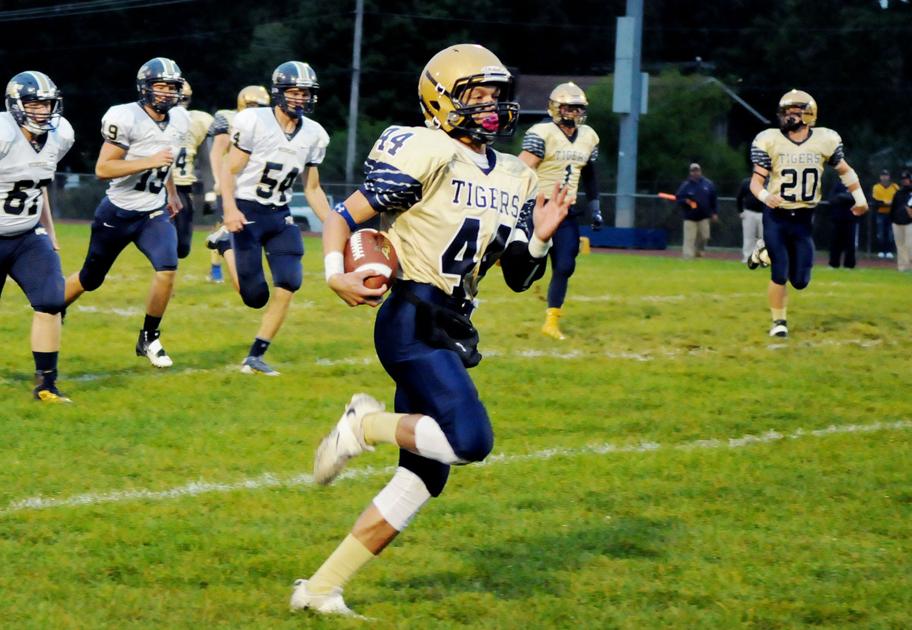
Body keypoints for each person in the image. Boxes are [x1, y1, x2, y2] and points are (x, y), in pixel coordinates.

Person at [290, 44, 570, 617]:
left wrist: (540, 234)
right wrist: (334, 273)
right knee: (472, 442)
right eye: (477, 96)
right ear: (441, 100)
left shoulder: (516, 173)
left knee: (421, 479)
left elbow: (518, 276)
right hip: (411, 316)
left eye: (496, 96)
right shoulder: (429, 150)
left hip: (454, 322)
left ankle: (320, 589)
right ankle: (363, 424)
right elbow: (344, 218)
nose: (491, 107)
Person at [64, 57, 189, 367]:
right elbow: (104, 168)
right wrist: (149, 160)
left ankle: (149, 336)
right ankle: (53, 304)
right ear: (145, 88)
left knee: (168, 267)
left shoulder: (180, 120)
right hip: (117, 212)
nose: (166, 93)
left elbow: (167, 160)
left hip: (152, 212)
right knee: (90, 279)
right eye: (160, 87)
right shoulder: (126, 117)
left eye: (172, 87)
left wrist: (171, 192)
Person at [215, 61, 330, 375]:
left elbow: (313, 187)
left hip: (279, 214)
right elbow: (229, 169)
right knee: (254, 297)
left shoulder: (315, 134)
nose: (301, 99)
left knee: (290, 282)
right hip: (245, 209)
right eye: (294, 92)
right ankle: (225, 246)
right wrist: (229, 209)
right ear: (279, 93)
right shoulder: (254, 121)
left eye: (306, 93)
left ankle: (255, 356)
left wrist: (335, 224)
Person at [747, 89, 868, 337]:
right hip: (777, 214)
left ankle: (763, 251)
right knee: (780, 271)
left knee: (800, 281)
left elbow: (845, 170)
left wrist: (860, 199)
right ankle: (778, 322)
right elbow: (755, 183)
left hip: (803, 218)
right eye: (783, 113)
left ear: (807, 115)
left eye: (790, 113)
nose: (784, 118)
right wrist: (765, 196)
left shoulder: (824, 140)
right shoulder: (769, 139)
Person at [0, 71, 73, 401]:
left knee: (51, 301)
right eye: (33, 104)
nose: (42, 111)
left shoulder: (60, 135)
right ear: (16, 105)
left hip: (28, 233)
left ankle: (46, 385)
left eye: (46, 104)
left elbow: (38, 185)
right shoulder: (3, 133)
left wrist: (50, 231)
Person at [518, 82, 601, 340]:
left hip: (567, 210)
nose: (574, 113)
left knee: (565, 265)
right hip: (539, 207)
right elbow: (522, 170)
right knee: (532, 268)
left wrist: (595, 207)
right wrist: (518, 207)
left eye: (578, 109)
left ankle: (551, 321)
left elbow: (589, 174)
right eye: (569, 108)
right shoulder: (542, 132)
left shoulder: (589, 136)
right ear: (555, 108)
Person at [205, 85, 270, 283]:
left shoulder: (268, 123)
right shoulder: (228, 118)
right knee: (224, 225)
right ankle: (216, 267)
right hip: (230, 178)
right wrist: (217, 180)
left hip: (251, 181)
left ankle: (248, 266)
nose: (255, 109)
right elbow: (217, 151)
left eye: (260, 106)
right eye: (252, 105)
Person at [171, 79, 213, 260]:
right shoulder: (153, 120)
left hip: (182, 188)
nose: (180, 103)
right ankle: (165, 284)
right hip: (157, 187)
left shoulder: (198, 121)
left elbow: (206, 162)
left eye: (184, 99)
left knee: (182, 248)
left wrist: (210, 193)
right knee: (165, 244)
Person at [675, 163, 718, 259]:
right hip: (690, 217)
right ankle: (687, 257)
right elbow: (678, 198)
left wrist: (714, 213)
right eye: (693, 171)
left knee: (704, 237)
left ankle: (698, 252)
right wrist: (686, 201)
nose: (695, 173)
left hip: (704, 216)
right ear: (690, 173)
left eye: (697, 170)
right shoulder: (685, 185)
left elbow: (713, 199)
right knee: (689, 239)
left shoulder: (708, 184)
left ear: (700, 171)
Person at [826, 181, 858, 269]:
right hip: (837, 219)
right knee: (835, 243)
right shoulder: (837, 185)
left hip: (850, 219)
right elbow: (831, 199)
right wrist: (843, 197)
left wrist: (843, 197)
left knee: (850, 244)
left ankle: (849, 265)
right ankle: (833, 264)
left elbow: (857, 199)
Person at [735, 176, 765, 263]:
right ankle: (747, 257)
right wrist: (740, 211)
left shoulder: (768, 183)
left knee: (763, 237)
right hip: (749, 212)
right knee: (748, 237)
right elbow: (739, 197)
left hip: (763, 213)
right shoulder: (747, 182)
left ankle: (762, 258)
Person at [871, 169, 897, 259]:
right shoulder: (876, 187)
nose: (884, 177)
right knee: (881, 233)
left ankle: (889, 251)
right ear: (880, 177)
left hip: (891, 213)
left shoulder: (894, 187)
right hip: (881, 213)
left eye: (886, 175)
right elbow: (875, 200)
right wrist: (885, 202)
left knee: (890, 234)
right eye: (883, 175)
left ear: (889, 177)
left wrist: (892, 203)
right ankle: (881, 251)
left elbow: (898, 198)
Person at [890, 170, 912, 272]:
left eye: (906, 179)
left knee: (909, 245)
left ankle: (909, 266)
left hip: (909, 222)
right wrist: (893, 219)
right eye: (903, 179)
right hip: (897, 222)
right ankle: (902, 267)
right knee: (900, 246)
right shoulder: (898, 193)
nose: (904, 181)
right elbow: (893, 207)